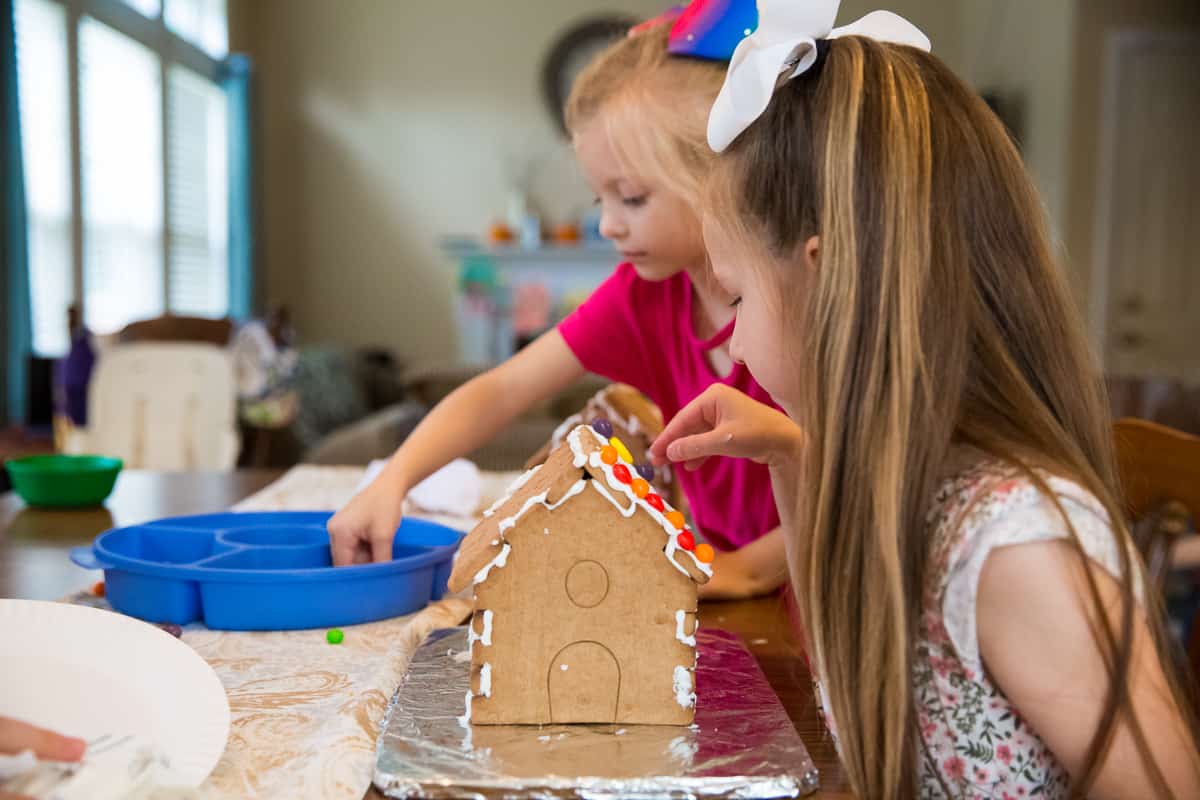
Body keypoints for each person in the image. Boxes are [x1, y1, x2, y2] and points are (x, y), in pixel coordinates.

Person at [651, 1, 1200, 796]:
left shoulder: (1013, 551)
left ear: (826, 275)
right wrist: (792, 457)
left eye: (736, 300)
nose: (730, 345)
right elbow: (848, 676)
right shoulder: (910, 480)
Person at [329, 3, 789, 599]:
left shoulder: (796, 304)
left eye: (630, 198)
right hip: (718, 584)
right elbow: (502, 389)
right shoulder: (644, 295)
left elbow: (852, 477)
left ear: (722, 177)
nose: (607, 227)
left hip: (803, 593)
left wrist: (746, 570)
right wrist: (389, 483)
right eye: (601, 201)